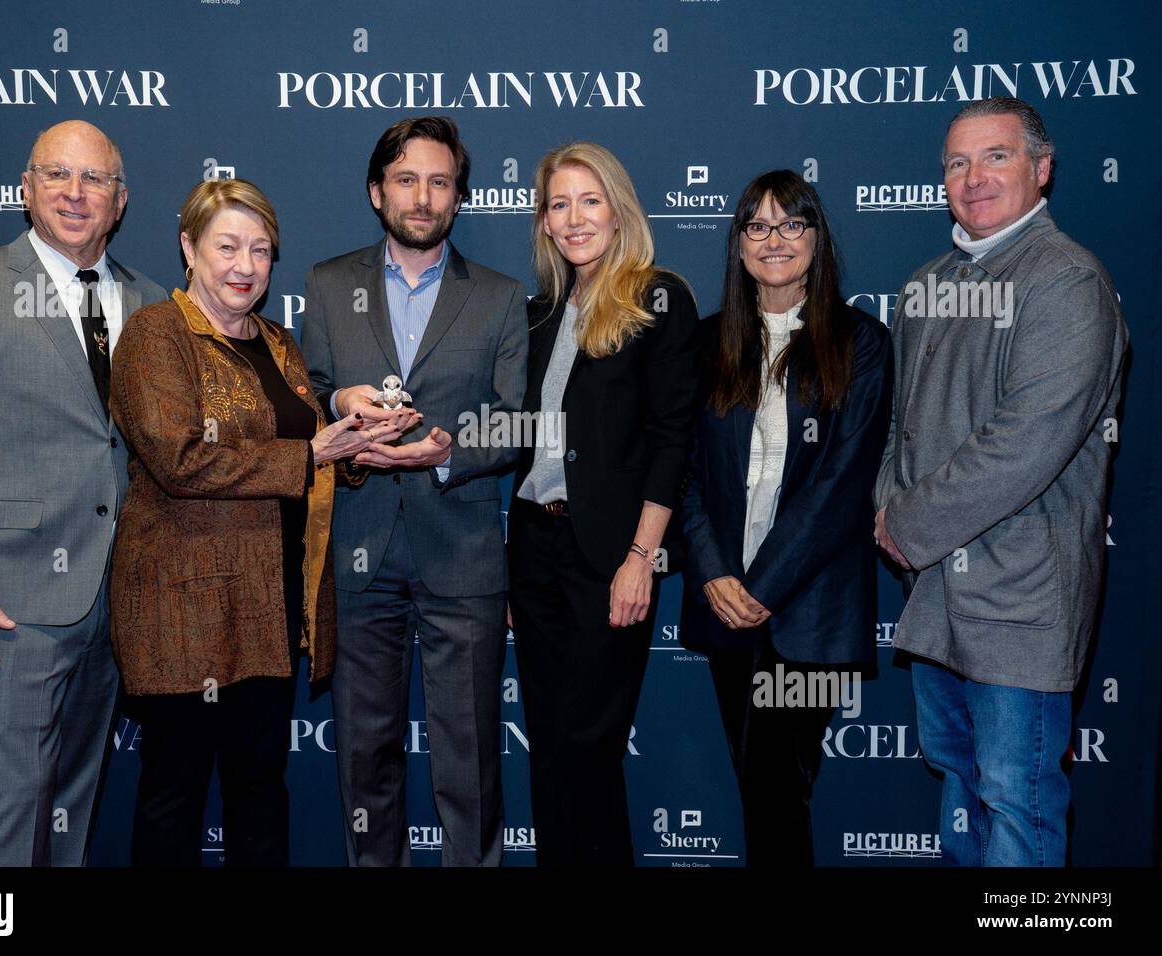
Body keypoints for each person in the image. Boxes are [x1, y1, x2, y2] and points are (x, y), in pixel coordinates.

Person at [108, 179, 415, 866]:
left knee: (259, 793)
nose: (244, 265)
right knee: (173, 796)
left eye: (261, 250)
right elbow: (179, 462)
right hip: (181, 614)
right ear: (188, 248)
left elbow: (309, 459)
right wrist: (313, 450)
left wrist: (364, 446)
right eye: (226, 247)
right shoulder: (155, 335)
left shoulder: (278, 342)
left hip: (269, 612)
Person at [874, 97, 1128, 866]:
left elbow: (1027, 442)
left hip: (1021, 602)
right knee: (960, 792)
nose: (973, 177)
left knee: (1017, 803)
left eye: (995, 156)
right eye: (957, 162)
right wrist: (886, 507)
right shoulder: (927, 282)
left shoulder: (1067, 281)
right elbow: (901, 427)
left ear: (1041, 170)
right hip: (937, 599)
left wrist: (904, 526)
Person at [0, 120, 166, 866]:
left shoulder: (151, 305)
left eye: (95, 181)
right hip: (10, 604)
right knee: (13, 813)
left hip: (116, 605)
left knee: (70, 809)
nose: (75, 194)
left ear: (120, 201)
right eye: (57, 175)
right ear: (26, 189)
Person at [301, 116, 529, 867]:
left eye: (439, 182)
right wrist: (342, 412)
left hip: (460, 552)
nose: (422, 196)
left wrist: (442, 454)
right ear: (376, 192)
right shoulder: (329, 286)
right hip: (359, 550)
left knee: (468, 761)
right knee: (366, 754)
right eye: (406, 180)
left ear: (459, 198)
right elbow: (314, 392)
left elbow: (517, 424)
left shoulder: (499, 297)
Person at [681, 170, 892, 867]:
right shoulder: (706, 343)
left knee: (777, 786)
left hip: (814, 610)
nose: (775, 240)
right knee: (761, 788)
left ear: (816, 237)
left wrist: (762, 587)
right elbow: (680, 470)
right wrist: (715, 572)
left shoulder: (862, 341)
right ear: (739, 243)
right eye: (758, 226)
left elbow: (841, 482)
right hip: (724, 603)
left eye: (792, 224)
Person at [507, 142, 699, 866]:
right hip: (535, 550)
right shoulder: (542, 313)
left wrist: (641, 558)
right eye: (559, 204)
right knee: (552, 750)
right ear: (545, 223)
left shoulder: (658, 297)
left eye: (590, 200)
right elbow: (527, 447)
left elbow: (672, 440)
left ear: (618, 210)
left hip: (610, 555)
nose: (574, 217)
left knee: (589, 746)